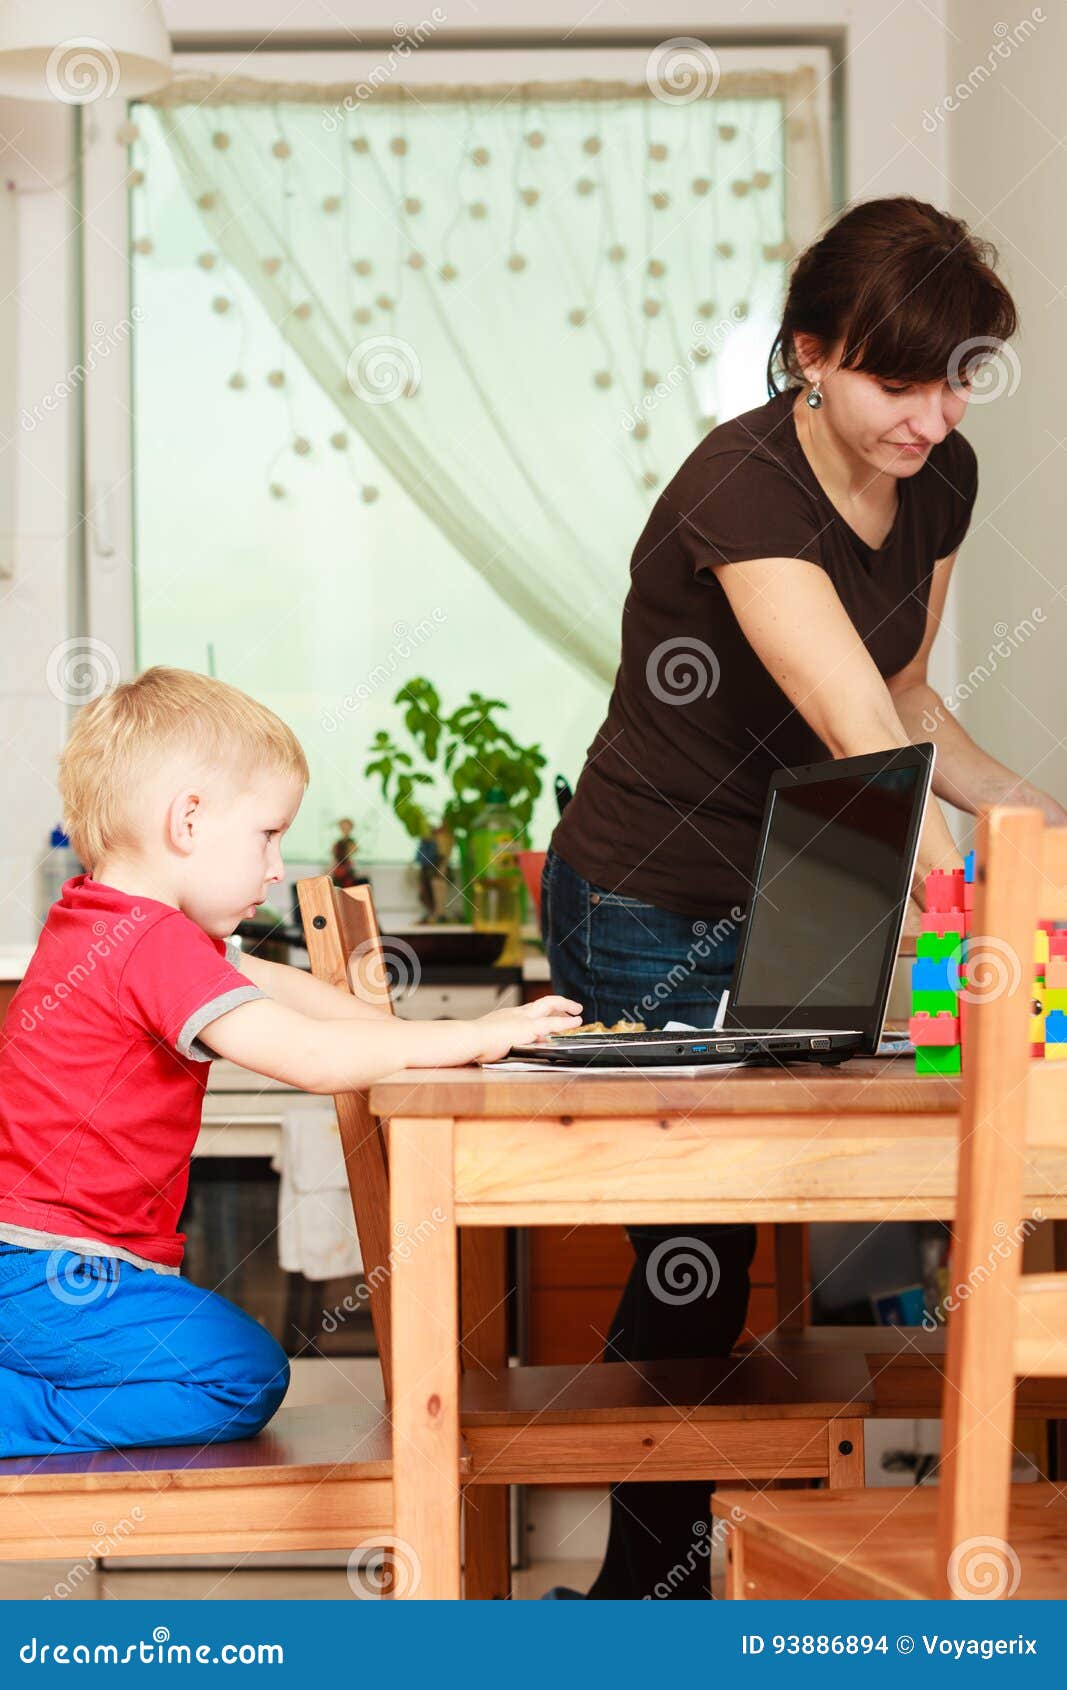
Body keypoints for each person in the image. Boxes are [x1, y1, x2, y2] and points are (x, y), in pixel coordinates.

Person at [542, 195, 1067, 1600]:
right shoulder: (741, 488)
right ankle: (639, 1597)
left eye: (954, 377)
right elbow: (854, 727)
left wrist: (1032, 814)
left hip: (802, 882)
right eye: (897, 382)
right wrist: (974, 882)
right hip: (651, 894)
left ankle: (771, 1567)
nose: (932, 416)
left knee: (822, 1201)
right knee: (699, 1244)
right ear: (808, 356)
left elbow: (900, 692)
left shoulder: (936, 482)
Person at [0, 667, 580, 1460]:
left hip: (43, 1269)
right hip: (42, 1272)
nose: (276, 867)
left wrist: (413, 1035)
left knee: (217, 1369)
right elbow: (305, 1056)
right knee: (237, 1377)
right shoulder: (150, 941)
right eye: (267, 835)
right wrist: (468, 1037)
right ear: (189, 821)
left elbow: (286, 989)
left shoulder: (103, 920)